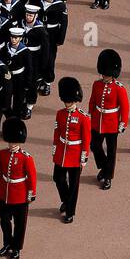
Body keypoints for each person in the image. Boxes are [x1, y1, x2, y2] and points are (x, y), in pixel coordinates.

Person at [0, 116, 36, 259]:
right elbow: (0, 171)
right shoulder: (3, 154)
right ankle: (7, 243)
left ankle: (16, 248)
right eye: (10, 141)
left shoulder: (26, 158)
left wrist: (31, 193)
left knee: (19, 224)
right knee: (4, 221)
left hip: (20, 195)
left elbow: (31, 177)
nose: (12, 144)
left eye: (14, 141)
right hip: (6, 193)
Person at [87, 50, 128, 190]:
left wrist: (123, 123)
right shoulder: (96, 84)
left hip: (112, 123)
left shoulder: (119, 89)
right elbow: (92, 102)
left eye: (107, 74)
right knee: (95, 146)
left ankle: (108, 177)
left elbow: (125, 107)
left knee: (111, 151)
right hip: (97, 121)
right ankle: (105, 168)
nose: (104, 76)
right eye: (103, 74)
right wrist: (89, 116)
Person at [52, 76, 90, 223]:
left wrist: (84, 157)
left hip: (75, 153)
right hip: (62, 151)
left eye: (69, 101)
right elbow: (57, 133)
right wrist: (55, 148)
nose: (67, 104)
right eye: (65, 101)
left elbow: (86, 139)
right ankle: (67, 201)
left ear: (75, 100)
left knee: (74, 185)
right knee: (58, 178)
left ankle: (70, 212)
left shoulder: (83, 118)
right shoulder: (60, 114)